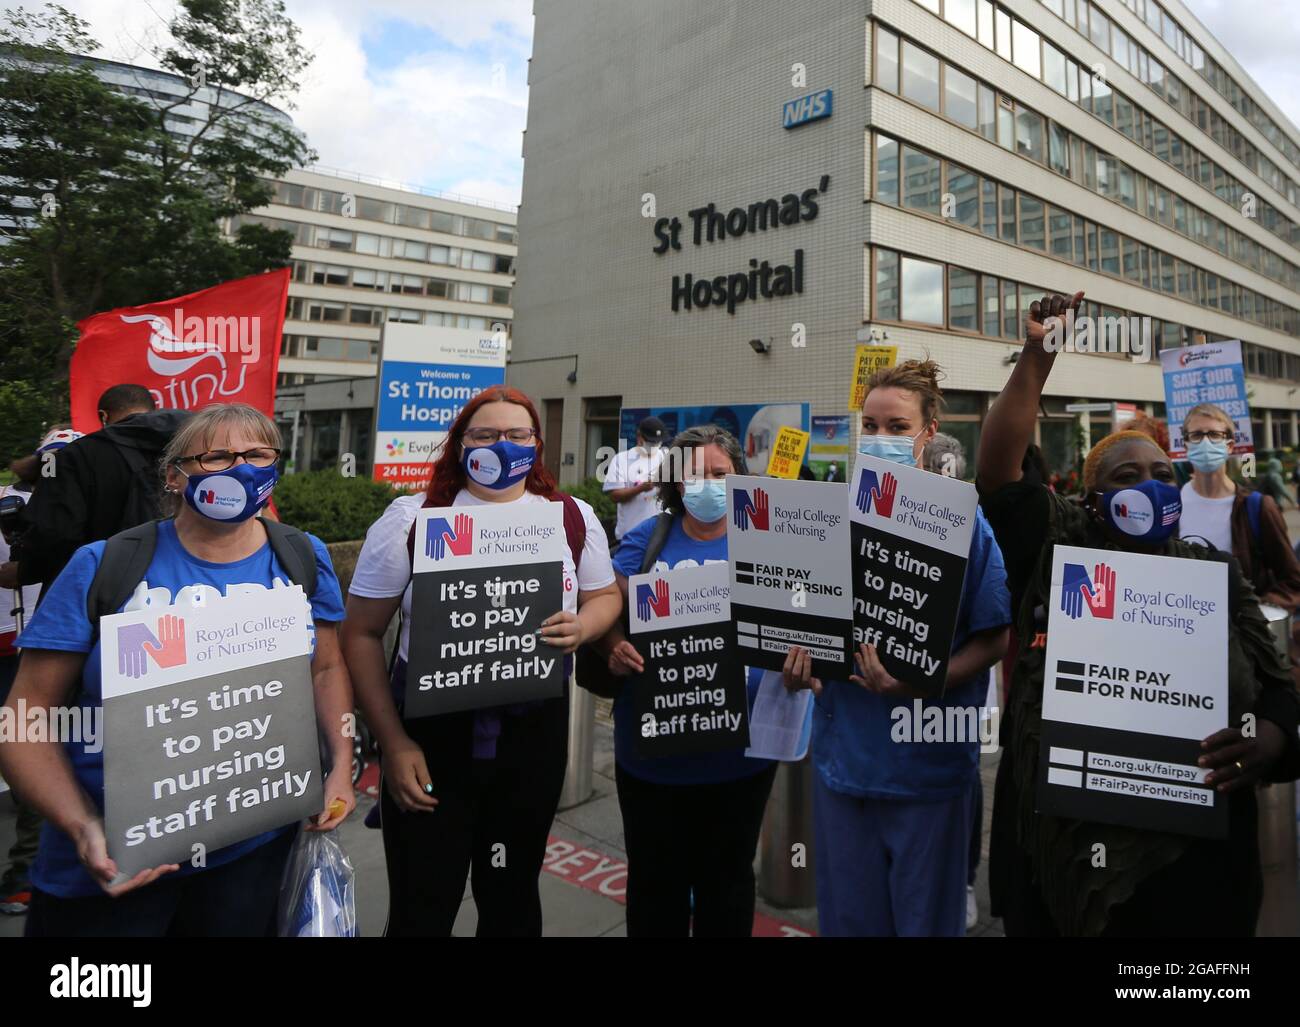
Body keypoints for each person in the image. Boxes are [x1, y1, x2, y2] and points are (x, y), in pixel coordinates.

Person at [978, 291, 1300, 937]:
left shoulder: (1215, 573)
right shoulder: (1060, 552)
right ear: (1092, 498)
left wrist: (1268, 741)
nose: (1150, 485)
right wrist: (1039, 356)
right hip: (1062, 857)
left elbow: (1280, 694)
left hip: (1194, 866)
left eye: (1161, 471)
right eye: (1128, 474)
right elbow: (999, 473)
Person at [0, 403, 355, 937]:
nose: (241, 468)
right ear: (174, 474)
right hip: (114, 868)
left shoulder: (303, 556)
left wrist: (342, 765)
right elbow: (23, 718)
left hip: (251, 854)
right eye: (217, 456)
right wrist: (83, 827)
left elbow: (326, 669)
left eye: (258, 454)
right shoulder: (102, 565)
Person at [341, 385, 621, 937]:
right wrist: (393, 744)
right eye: (485, 434)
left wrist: (584, 626)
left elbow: (605, 596)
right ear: (461, 443)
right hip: (430, 740)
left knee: (513, 898)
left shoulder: (570, 516)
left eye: (517, 435)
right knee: (424, 904)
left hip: (531, 738)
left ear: (537, 445)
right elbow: (361, 634)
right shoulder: (412, 519)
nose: (501, 444)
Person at [784, 360, 1011, 937]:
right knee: (851, 923)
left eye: (897, 425)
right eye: (871, 425)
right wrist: (798, 665)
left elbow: (994, 636)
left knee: (924, 925)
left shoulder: (964, 524)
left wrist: (924, 681)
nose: (881, 439)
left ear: (928, 433)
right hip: (843, 767)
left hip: (925, 771)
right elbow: (805, 619)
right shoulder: (829, 517)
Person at [596, 424, 776, 936]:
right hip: (653, 761)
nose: (710, 484)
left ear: (740, 477)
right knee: (656, 891)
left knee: (729, 888)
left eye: (722, 474)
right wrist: (611, 646)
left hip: (741, 763)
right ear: (675, 482)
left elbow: (800, 616)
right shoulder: (641, 544)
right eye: (697, 474)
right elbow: (598, 605)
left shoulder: (769, 543)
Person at [0, 427, 82, 915]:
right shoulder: (11, 505)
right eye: (55, 463)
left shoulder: (91, 514)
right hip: (14, 647)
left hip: (55, 650)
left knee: (41, 744)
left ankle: (25, 874)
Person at [16, 384, 191, 592]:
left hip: (100, 589)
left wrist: (25, 570)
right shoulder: (193, 447)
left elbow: (56, 532)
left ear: (103, 416)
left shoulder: (74, 456)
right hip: (186, 582)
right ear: (152, 409)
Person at [1178, 402, 1300, 613]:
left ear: (1230, 445)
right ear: (1185, 444)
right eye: (1196, 435)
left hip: (1242, 637)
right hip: (1185, 626)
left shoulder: (1257, 507)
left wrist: (1258, 612)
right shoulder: (1171, 506)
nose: (1205, 442)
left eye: (1215, 435)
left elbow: (1291, 580)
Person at [602, 416, 667, 545]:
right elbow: (615, 496)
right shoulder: (622, 459)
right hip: (631, 534)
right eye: (651, 442)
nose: (654, 446)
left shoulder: (665, 457)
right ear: (639, 437)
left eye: (657, 443)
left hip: (661, 534)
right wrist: (641, 488)